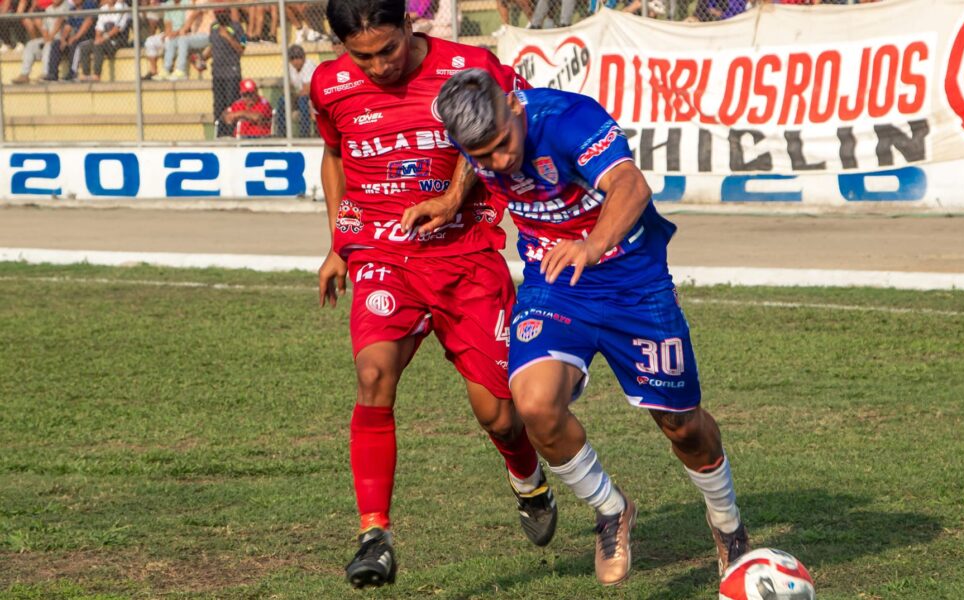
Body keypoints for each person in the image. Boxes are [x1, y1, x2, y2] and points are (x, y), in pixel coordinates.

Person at [414, 68, 752, 586]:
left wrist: (592, 245)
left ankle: (727, 524)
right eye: (484, 155)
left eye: (503, 144)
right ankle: (611, 509)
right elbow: (470, 155)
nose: (498, 161)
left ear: (514, 105)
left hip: (635, 284)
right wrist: (451, 198)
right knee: (534, 406)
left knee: (682, 425)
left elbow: (631, 185)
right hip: (555, 284)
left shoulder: (569, 119)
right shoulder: (475, 137)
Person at [311, 0, 557, 589]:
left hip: (465, 257)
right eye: (363, 57)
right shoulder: (329, 85)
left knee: (499, 415)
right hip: (382, 255)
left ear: (408, 25)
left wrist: (452, 196)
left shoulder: (469, 68)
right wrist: (339, 243)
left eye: (388, 50)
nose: (378, 66)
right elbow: (335, 156)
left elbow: (513, 127)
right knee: (373, 376)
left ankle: (528, 479)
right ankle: (374, 536)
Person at [204, 8, 244, 137]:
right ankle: (220, 134)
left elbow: (242, 49)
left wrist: (228, 37)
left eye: (222, 13)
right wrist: (203, 58)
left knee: (232, 103)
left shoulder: (238, 27)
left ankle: (232, 133)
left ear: (228, 13)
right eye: (217, 14)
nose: (220, 16)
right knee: (218, 105)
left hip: (232, 73)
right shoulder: (213, 27)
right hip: (217, 72)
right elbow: (213, 46)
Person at [11, 0, 63, 84]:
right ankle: (24, 74)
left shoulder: (66, 6)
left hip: (60, 40)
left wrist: (50, 37)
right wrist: (46, 36)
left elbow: (60, 23)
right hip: (48, 38)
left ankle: (46, 74)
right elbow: (45, 27)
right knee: (31, 44)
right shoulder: (49, 9)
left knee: (49, 45)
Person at [77, 0, 131, 82]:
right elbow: (99, 28)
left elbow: (118, 28)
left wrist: (102, 39)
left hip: (118, 40)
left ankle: (96, 75)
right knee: (84, 46)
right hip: (104, 39)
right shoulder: (103, 9)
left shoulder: (123, 7)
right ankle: (86, 75)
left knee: (98, 45)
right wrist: (98, 38)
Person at [44, 0, 97, 82]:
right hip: (74, 37)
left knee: (75, 44)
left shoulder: (89, 5)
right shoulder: (72, 9)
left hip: (88, 38)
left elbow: (88, 22)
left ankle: (72, 73)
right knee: (56, 44)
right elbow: (68, 26)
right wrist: (63, 39)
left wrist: (75, 37)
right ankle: (52, 73)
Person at [274, 44, 315, 138]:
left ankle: (304, 134)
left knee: (303, 101)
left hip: (314, 97)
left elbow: (307, 90)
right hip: (299, 94)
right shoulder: (289, 67)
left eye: (298, 57)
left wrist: (292, 94)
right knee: (282, 101)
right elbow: (287, 87)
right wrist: (289, 95)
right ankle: (281, 134)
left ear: (303, 57)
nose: (295, 61)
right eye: (292, 58)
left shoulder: (309, 65)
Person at [142, 0, 186, 80]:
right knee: (150, 41)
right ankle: (153, 71)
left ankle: (168, 70)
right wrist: (168, 32)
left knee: (169, 40)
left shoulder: (187, 3)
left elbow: (187, 24)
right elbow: (167, 22)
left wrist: (175, 33)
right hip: (170, 33)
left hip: (183, 34)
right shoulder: (169, 3)